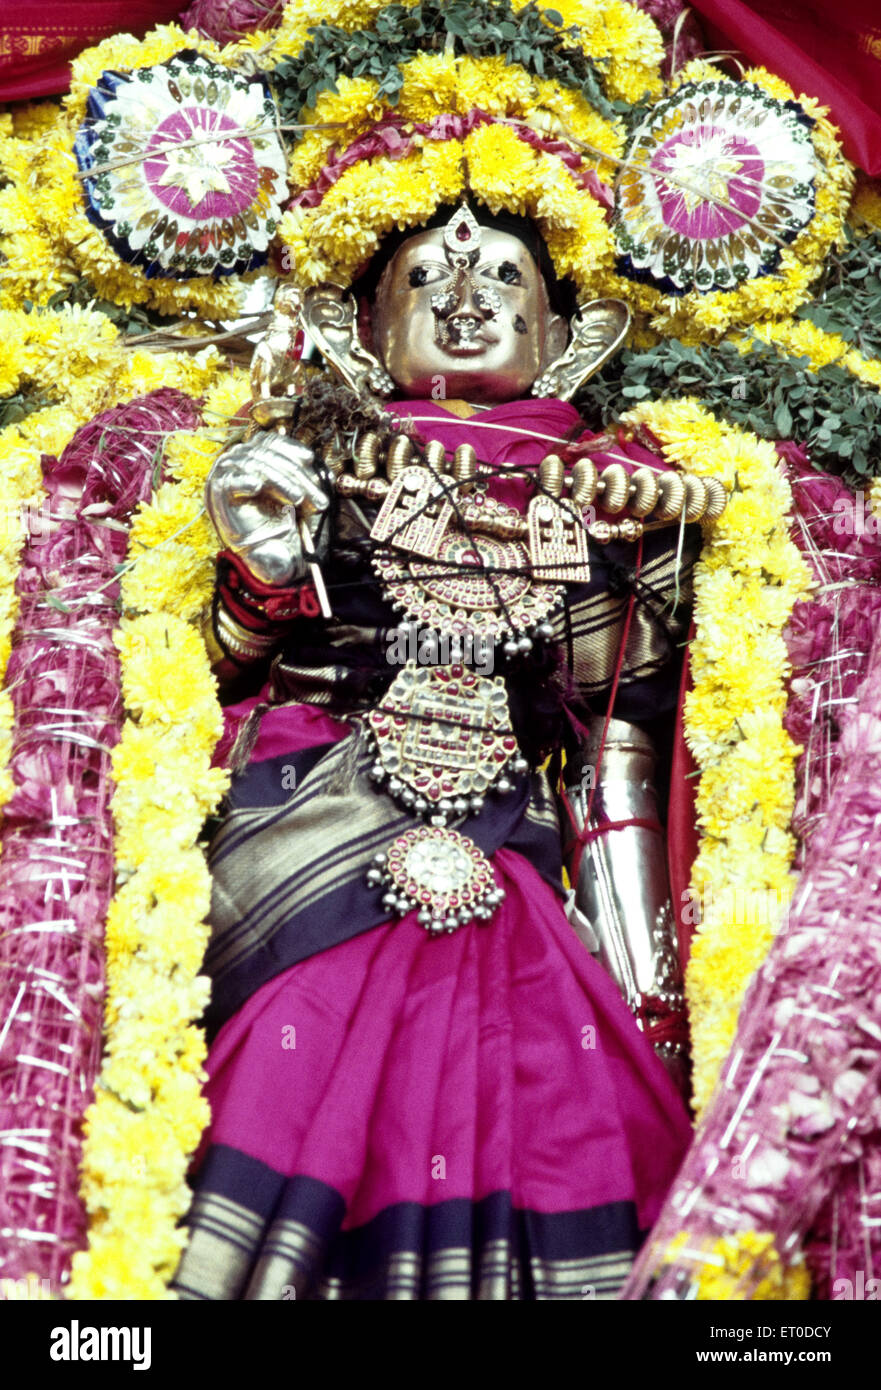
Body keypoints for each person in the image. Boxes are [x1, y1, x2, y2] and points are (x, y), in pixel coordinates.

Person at [170, 203, 704, 1300]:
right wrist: (262, 568)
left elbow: (624, 720)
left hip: (514, 829)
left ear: (570, 337)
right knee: (283, 1043)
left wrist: (650, 976)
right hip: (303, 815)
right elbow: (203, 674)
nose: (466, 302)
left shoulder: (617, 493)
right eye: (424, 283)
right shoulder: (302, 458)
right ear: (358, 333)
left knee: (554, 1070)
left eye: (507, 280)